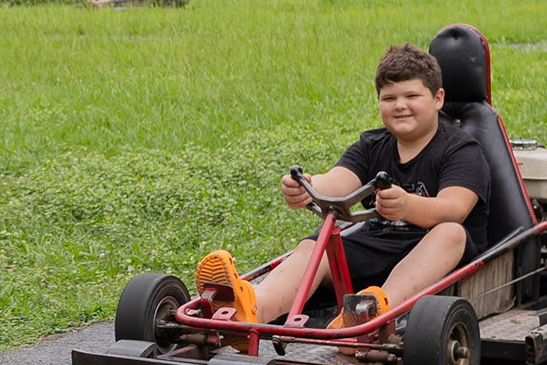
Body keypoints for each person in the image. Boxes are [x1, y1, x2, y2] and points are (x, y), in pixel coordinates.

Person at [196, 43, 491, 327]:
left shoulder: (460, 150)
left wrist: (408, 205)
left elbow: (455, 209)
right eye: (389, 98)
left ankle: (374, 312)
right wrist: (307, 186)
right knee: (318, 245)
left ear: (438, 99)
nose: (400, 106)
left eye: (412, 96)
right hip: (378, 246)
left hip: (437, 256)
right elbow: (338, 181)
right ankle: (253, 308)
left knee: (450, 232)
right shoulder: (372, 146)